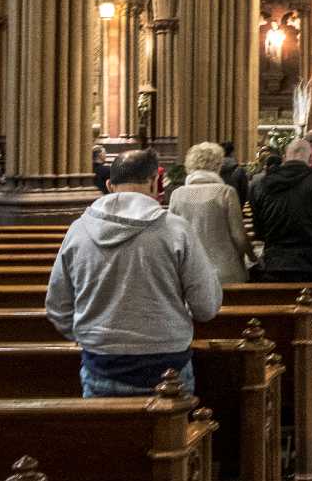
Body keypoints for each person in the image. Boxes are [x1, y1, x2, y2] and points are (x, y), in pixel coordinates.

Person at [47, 148, 222, 397]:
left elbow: (57, 305)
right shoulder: (176, 230)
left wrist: (93, 335)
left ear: (109, 185)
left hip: (101, 365)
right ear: (154, 181)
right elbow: (206, 306)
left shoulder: (78, 230)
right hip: (169, 368)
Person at [249, 137, 312, 282]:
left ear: (284, 158)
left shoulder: (263, 184)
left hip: (275, 264)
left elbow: (259, 231)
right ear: (311, 159)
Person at [167, 141, 254, 286]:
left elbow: (173, 235)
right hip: (225, 271)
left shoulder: (177, 194)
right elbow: (238, 236)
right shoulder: (225, 192)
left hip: (190, 271)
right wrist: (252, 257)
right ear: (218, 165)